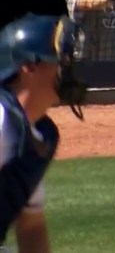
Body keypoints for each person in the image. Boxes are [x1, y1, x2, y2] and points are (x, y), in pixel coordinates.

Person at [1, 14, 88, 251]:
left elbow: (31, 226)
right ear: (29, 65)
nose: (68, 68)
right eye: (60, 60)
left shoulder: (35, 136)